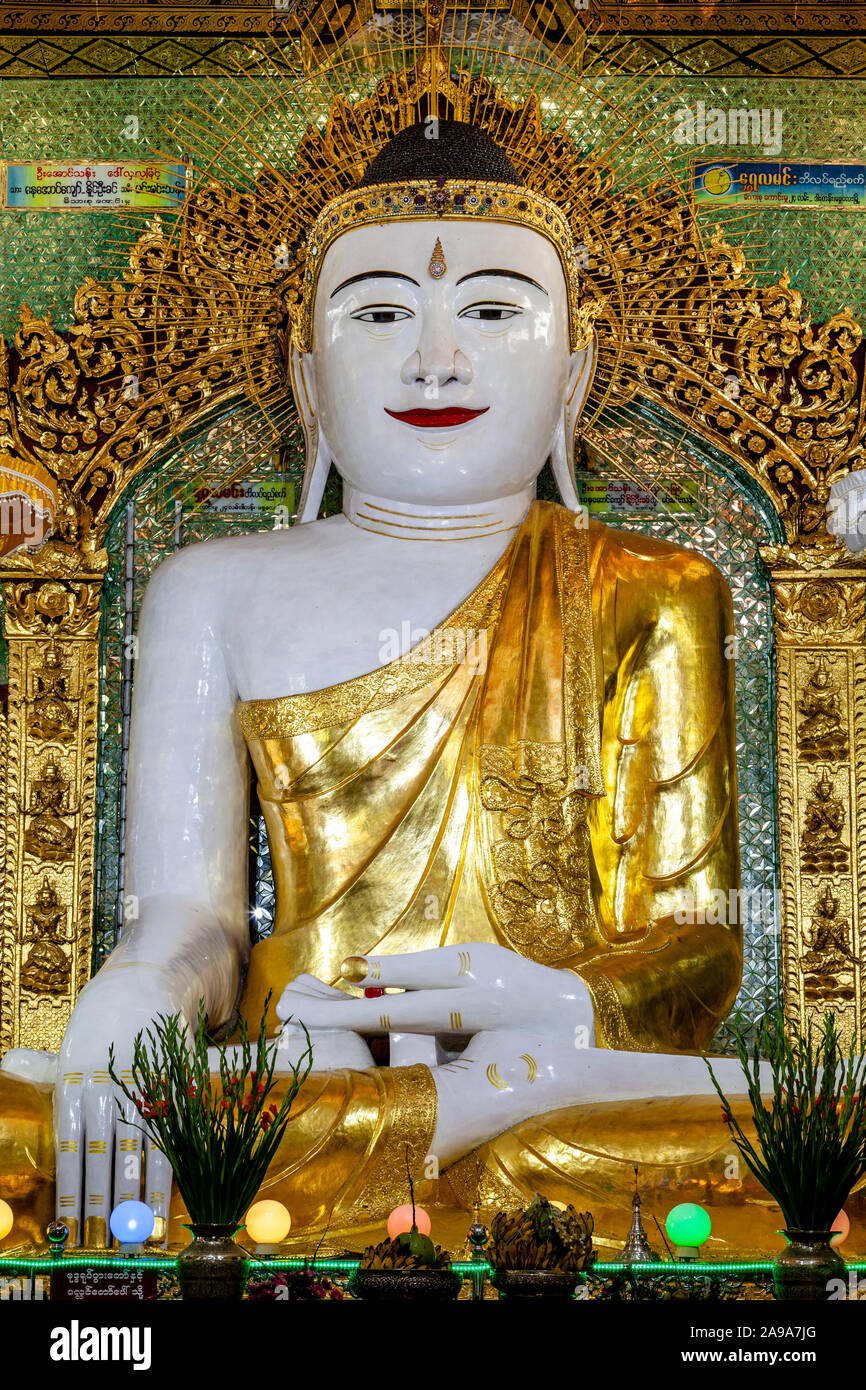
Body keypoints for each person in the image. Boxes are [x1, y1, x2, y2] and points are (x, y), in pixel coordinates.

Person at [1, 111, 755, 1249]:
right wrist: (125, 1023)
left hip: (562, 1068)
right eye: (380, 313)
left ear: (575, 368)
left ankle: (493, 1102)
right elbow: (188, 917)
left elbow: (696, 938)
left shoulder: (648, 584)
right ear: (307, 379)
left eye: (494, 311)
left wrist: (544, 1003)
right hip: (302, 1067)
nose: (434, 358)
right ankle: (470, 1117)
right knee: (36, 1119)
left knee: (779, 1126)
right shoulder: (212, 588)